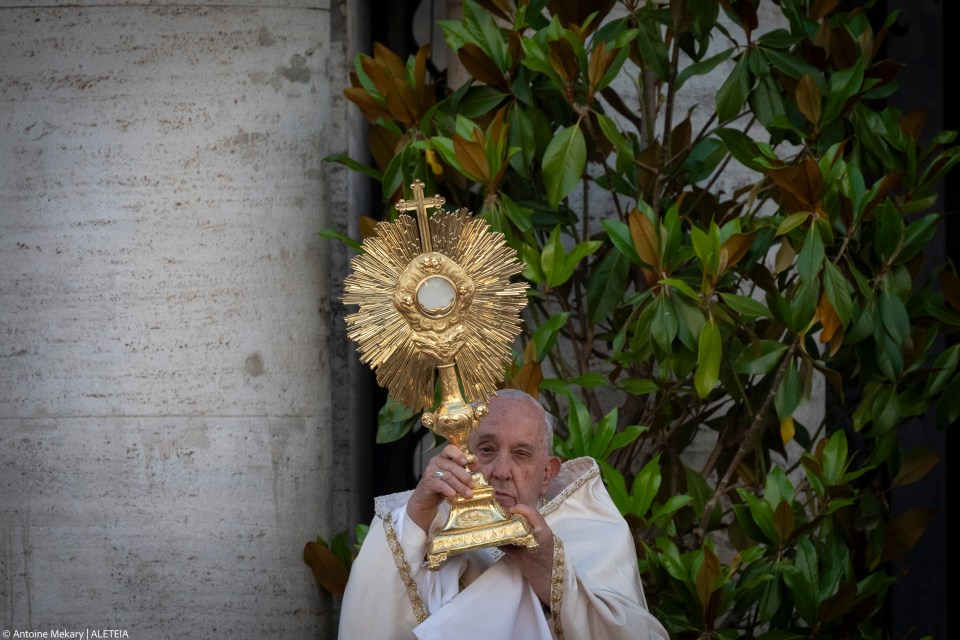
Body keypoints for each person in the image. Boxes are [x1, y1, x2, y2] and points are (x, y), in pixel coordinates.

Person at [338, 389, 669, 640]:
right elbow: (368, 619)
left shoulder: (595, 532)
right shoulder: (431, 526)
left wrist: (545, 568)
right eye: (486, 450)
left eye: (522, 454)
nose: (500, 471)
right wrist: (417, 514)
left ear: (546, 475)